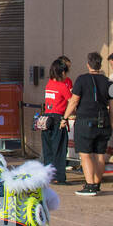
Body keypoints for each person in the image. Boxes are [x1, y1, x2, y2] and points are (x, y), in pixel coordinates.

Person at [63, 51, 111, 196]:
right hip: (104, 120)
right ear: (100, 65)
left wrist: (65, 117)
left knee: (85, 154)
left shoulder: (81, 80)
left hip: (85, 121)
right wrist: (112, 119)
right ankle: (96, 184)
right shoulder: (108, 81)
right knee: (100, 155)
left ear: (88, 64)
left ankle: (89, 185)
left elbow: (74, 101)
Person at [41, 57, 72, 185]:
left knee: (48, 149)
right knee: (59, 148)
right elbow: (72, 101)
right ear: (62, 73)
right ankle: (59, 176)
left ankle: (48, 175)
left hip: (46, 118)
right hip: (58, 118)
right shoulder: (62, 86)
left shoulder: (49, 84)